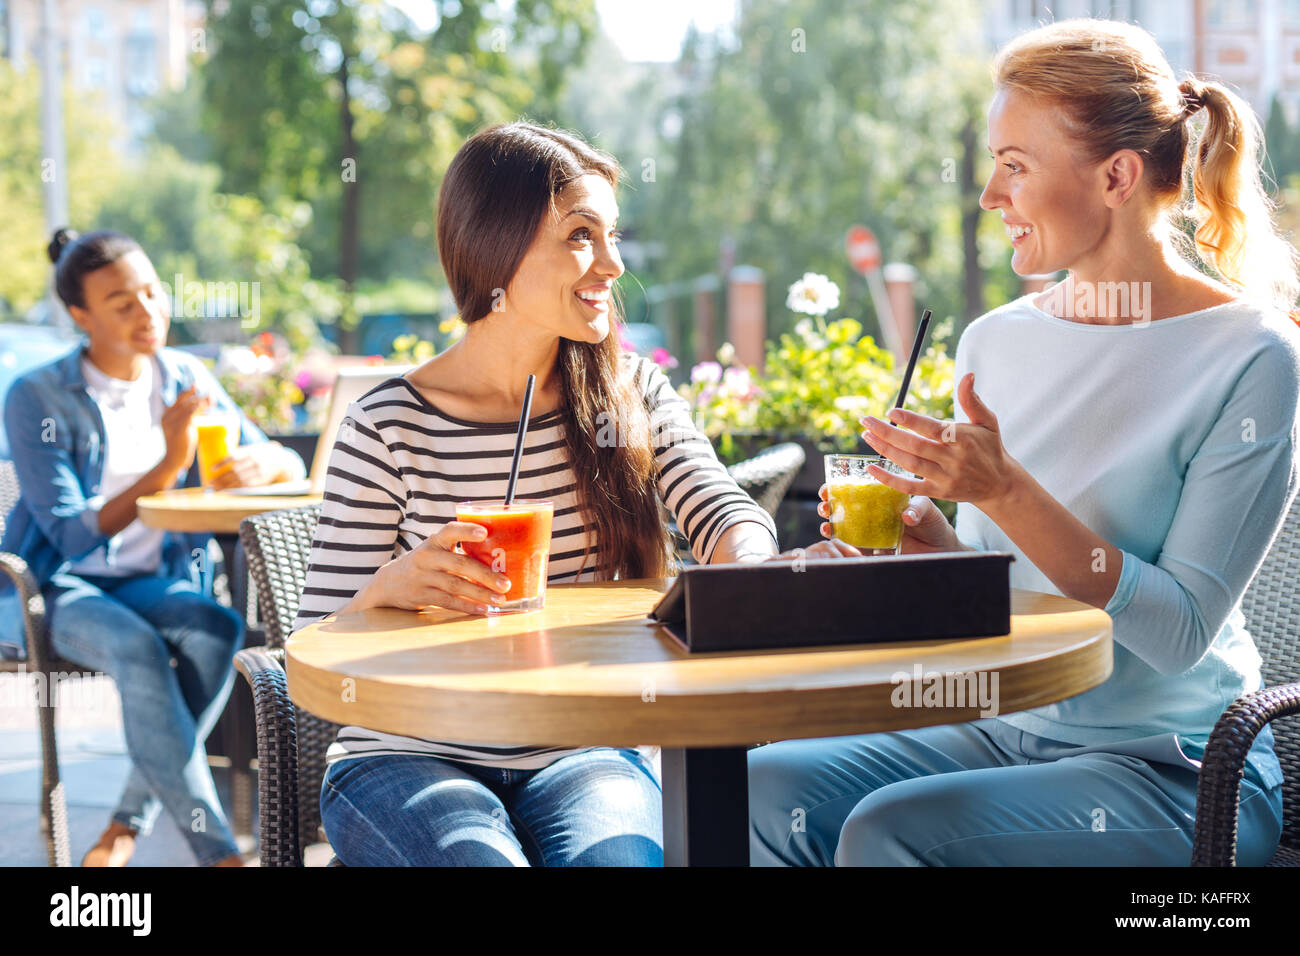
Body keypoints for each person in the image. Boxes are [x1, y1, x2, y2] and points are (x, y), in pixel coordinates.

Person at [749, 18, 1299, 866]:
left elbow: (1180, 630)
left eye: (1015, 166)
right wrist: (929, 545)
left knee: (884, 832)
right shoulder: (994, 343)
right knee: (757, 787)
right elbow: (1005, 592)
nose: (989, 196)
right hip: (1002, 732)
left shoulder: (1253, 356)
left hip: (1174, 770)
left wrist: (1005, 489)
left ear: (1116, 176)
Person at [291, 122, 780, 866]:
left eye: (613, 235)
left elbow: (720, 509)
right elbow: (309, 650)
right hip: (402, 755)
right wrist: (388, 585)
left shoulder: (630, 393)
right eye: (581, 236)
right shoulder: (387, 423)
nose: (612, 264)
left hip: (580, 748)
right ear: (494, 244)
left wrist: (747, 562)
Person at [0, 229, 307, 866]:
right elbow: (70, 532)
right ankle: (221, 855)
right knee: (139, 650)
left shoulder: (182, 374)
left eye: (152, 292)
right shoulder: (37, 397)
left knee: (218, 630)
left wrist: (269, 463)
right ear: (81, 316)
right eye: (122, 303)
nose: (148, 313)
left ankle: (123, 827)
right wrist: (169, 464)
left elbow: (268, 450)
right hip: (59, 584)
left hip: (153, 580)